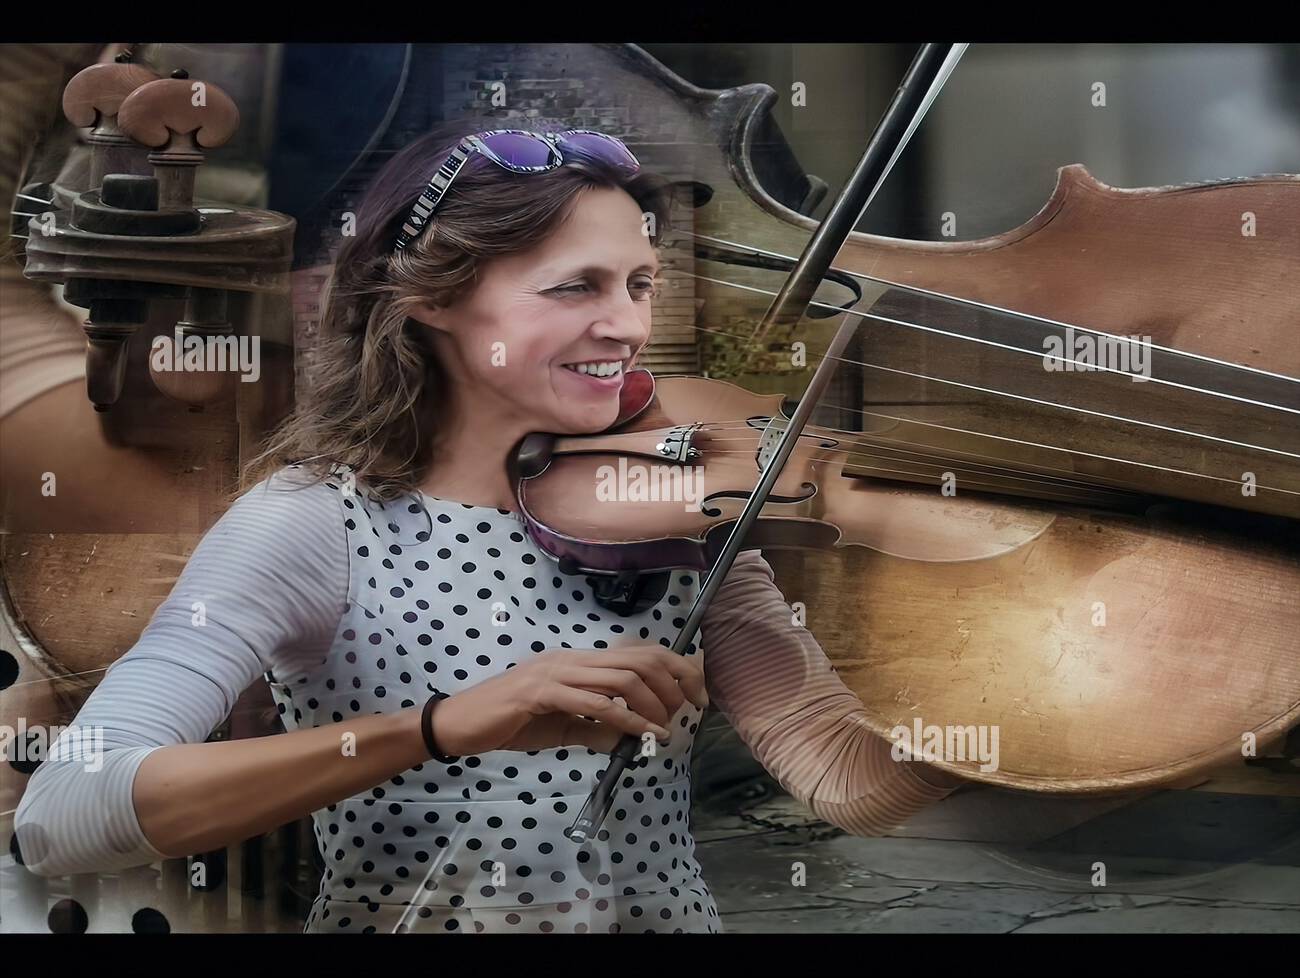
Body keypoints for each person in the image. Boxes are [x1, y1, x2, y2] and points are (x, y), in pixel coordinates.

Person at [14, 119, 960, 933]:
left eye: (640, 283)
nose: (628, 326)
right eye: (575, 287)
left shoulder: (675, 514)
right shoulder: (314, 523)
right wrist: (443, 726)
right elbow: (66, 814)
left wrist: (1011, 734)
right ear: (431, 297)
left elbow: (842, 772)